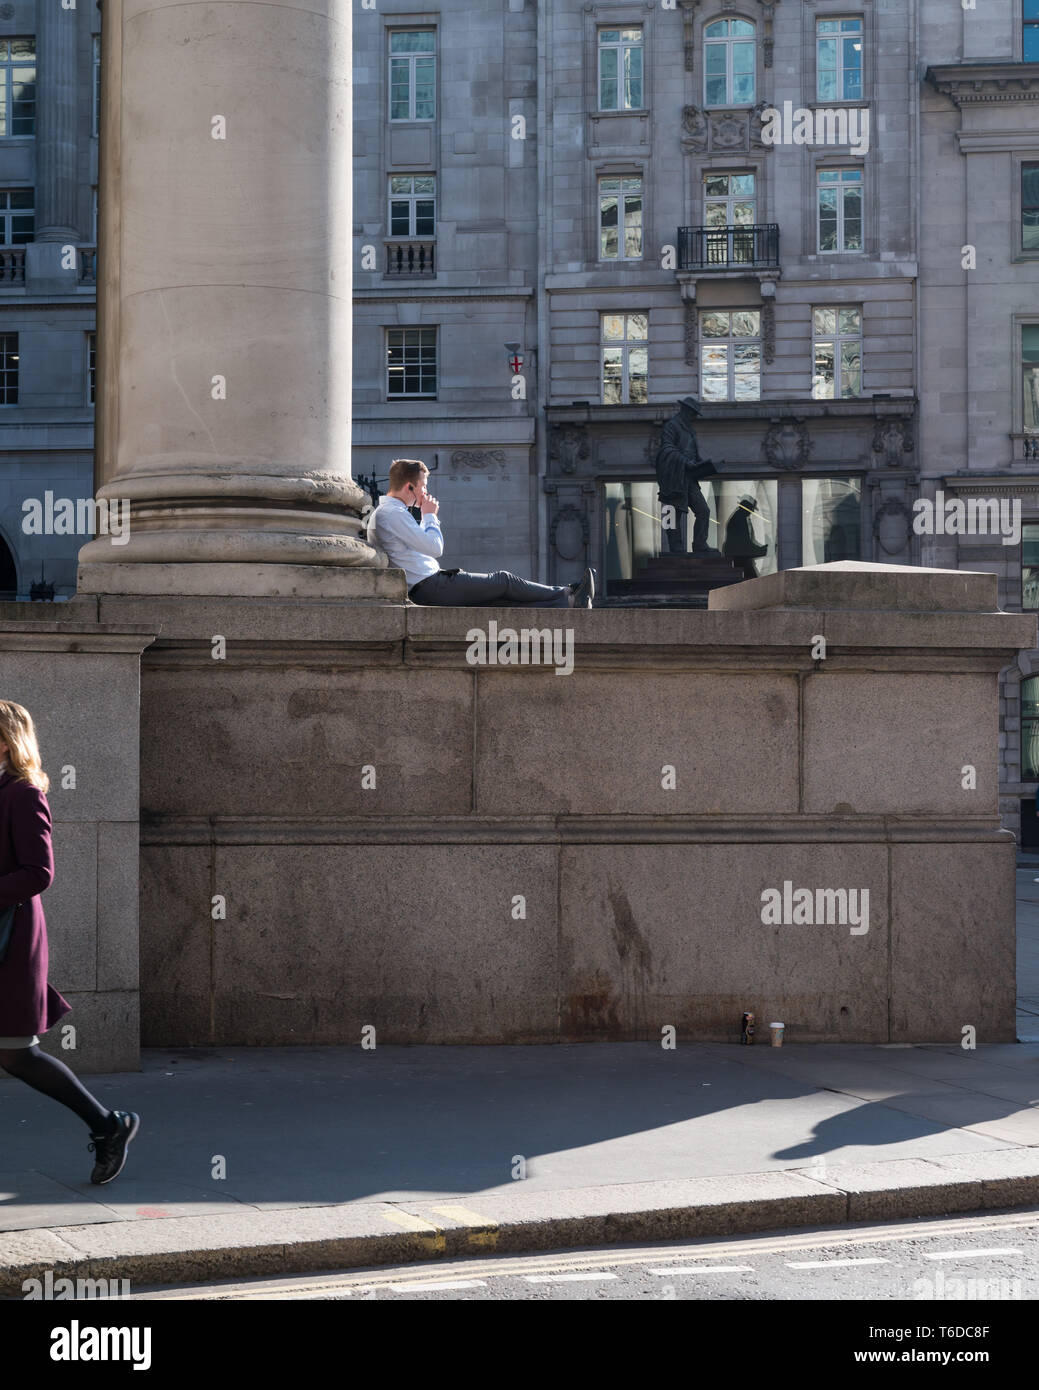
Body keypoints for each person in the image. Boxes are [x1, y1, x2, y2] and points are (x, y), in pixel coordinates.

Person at [0, 701, 139, 1184]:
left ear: (5, 741)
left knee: (17, 1053)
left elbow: (38, 872)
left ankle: (108, 1125)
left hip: (9, 940)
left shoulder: (21, 794)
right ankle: (108, 1125)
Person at [366, 458, 596, 607]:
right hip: (431, 586)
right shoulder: (392, 513)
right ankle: (567, 593)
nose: (426, 491)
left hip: (431, 584)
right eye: (423, 486)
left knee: (501, 599)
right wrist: (430, 515)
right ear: (410, 487)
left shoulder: (391, 512)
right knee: (503, 581)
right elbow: (435, 548)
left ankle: (569, 600)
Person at [653, 397, 723, 556]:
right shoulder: (672, 426)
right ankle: (675, 548)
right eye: (693, 414)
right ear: (686, 410)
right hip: (673, 476)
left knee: (703, 511)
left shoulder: (689, 429)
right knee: (671, 514)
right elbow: (667, 449)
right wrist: (685, 462)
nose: (695, 417)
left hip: (689, 477)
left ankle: (699, 544)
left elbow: (692, 452)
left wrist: (701, 464)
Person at [723, 495, 770, 578]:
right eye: (751, 509)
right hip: (739, 557)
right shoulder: (740, 520)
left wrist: (760, 549)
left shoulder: (738, 517)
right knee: (752, 581)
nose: (752, 512)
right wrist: (762, 550)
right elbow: (744, 543)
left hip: (737, 556)